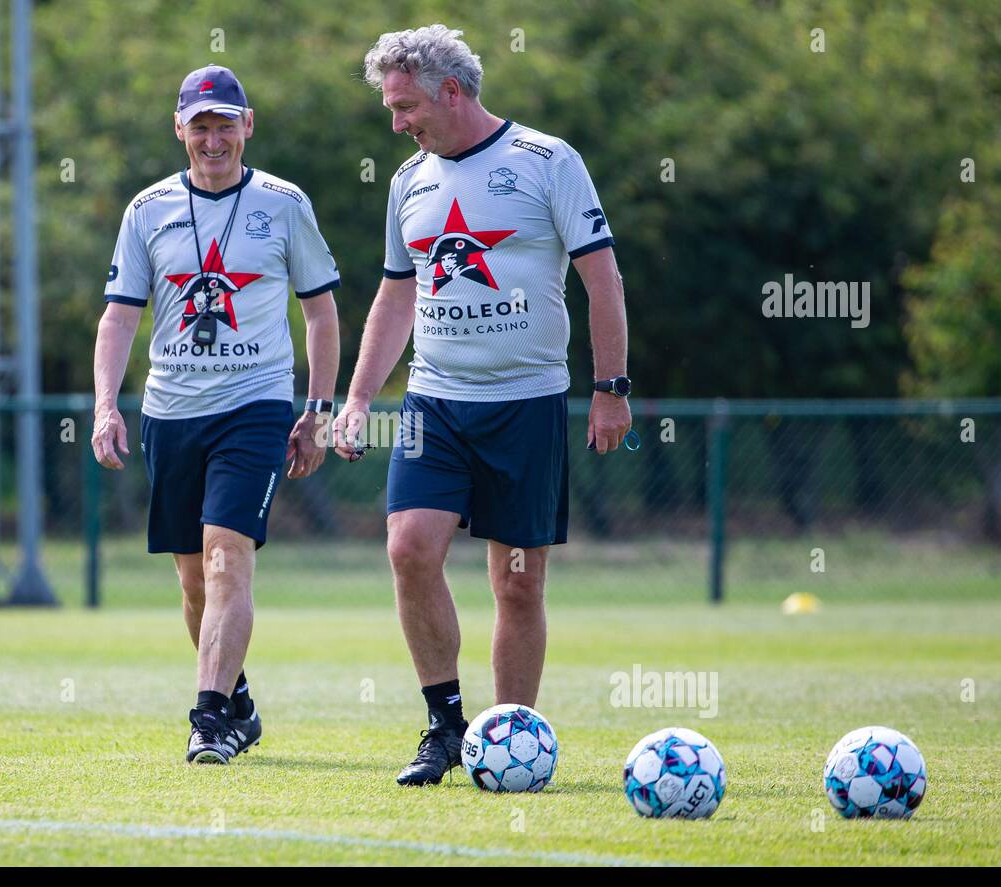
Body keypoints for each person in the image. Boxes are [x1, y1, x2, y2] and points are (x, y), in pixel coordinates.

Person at [332, 26, 632, 785]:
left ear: (453, 92)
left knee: (518, 581)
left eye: (405, 107)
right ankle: (444, 727)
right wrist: (359, 396)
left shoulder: (547, 161)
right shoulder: (410, 182)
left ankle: (514, 741)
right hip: (436, 402)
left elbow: (603, 278)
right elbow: (397, 296)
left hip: (527, 404)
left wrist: (610, 387)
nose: (397, 123)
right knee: (408, 550)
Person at [93, 64, 342, 764]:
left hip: (254, 407)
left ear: (247, 125)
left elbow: (321, 314)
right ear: (179, 130)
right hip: (170, 413)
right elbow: (118, 319)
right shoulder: (146, 209)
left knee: (228, 558)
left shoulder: (284, 203)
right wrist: (105, 405)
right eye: (199, 125)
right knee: (193, 579)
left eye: (224, 124)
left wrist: (317, 410)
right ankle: (237, 702)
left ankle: (207, 717)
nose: (212, 138)